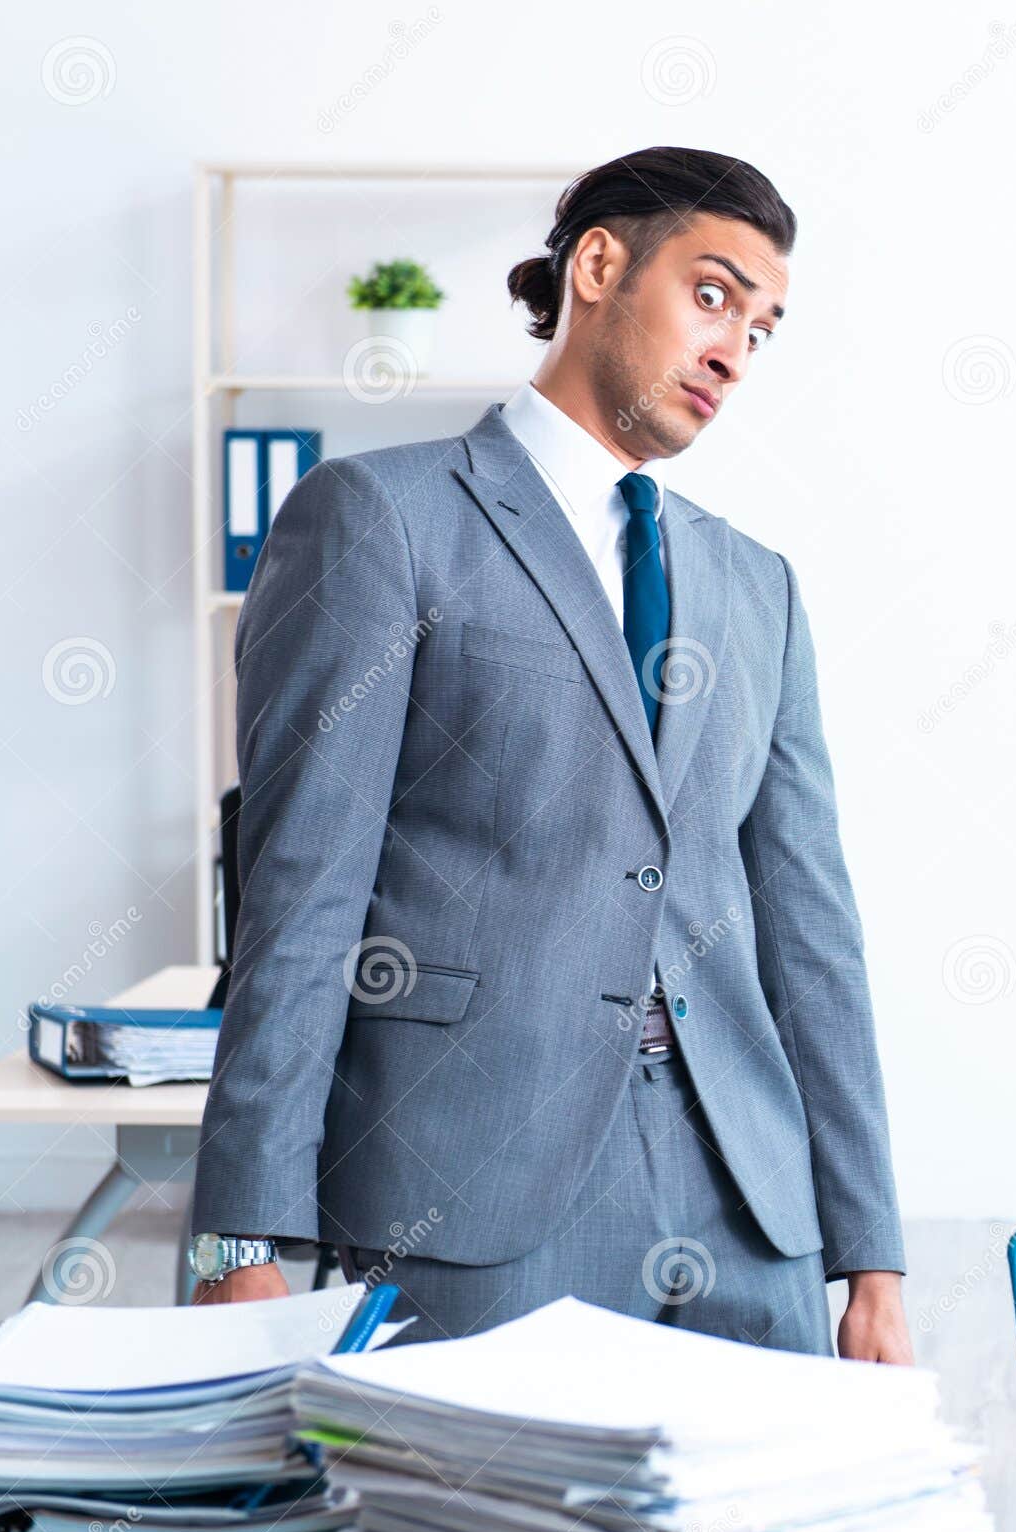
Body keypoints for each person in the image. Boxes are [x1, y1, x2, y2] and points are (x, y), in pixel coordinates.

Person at [188, 145, 912, 1364]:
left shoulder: (757, 588)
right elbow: (302, 898)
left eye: (766, 327)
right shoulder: (382, 519)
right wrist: (236, 1240)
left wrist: (870, 1254)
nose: (736, 347)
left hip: (750, 1210)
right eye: (714, 293)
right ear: (599, 265)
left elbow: (810, 930)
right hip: (468, 1199)